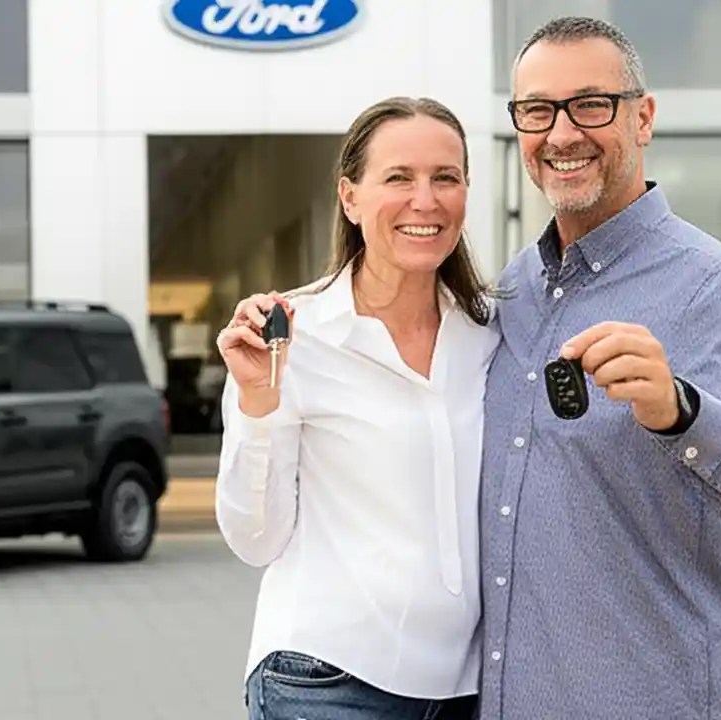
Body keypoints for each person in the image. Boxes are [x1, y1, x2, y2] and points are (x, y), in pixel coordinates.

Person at [477, 16, 721, 720]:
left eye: (591, 104)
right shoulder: (515, 291)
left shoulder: (711, 285)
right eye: (538, 110)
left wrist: (681, 410)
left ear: (643, 117)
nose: (562, 133)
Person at [215, 96, 498, 720]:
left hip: (466, 689)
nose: (425, 200)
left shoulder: (490, 334)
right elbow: (255, 539)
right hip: (328, 681)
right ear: (350, 197)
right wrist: (258, 404)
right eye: (398, 177)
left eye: (445, 178)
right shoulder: (292, 332)